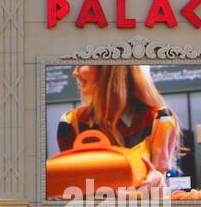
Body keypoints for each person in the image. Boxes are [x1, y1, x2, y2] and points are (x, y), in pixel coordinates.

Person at [57, 65, 181, 195]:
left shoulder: (160, 119)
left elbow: (160, 177)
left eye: (83, 63)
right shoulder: (71, 123)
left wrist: (156, 180)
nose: (75, 72)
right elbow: (71, 187)